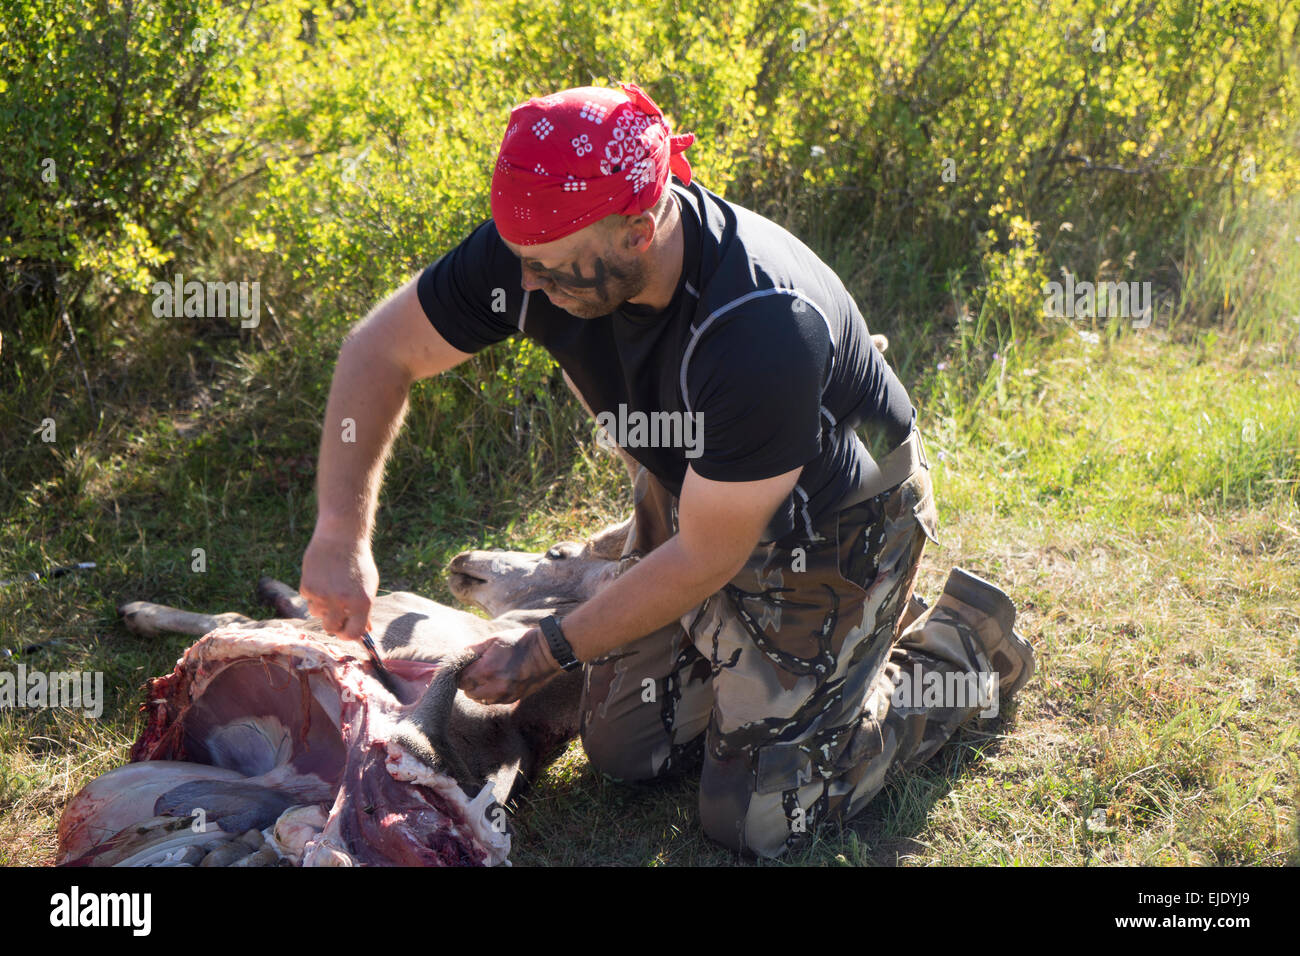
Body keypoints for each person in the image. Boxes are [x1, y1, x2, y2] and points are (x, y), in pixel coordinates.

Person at [300, 82, 1034, 858]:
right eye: (519, 260)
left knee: (759, 817)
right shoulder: (536, 243)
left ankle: (959, 648)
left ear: (639, 229)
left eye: (550, 269)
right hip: (701, 491)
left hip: (835, 523)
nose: (525, 285)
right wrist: (342, 533)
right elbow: (378, 352)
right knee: (625, 753)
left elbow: (707, 557)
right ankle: (753, 677)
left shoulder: (759, 325)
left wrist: (544, 648)